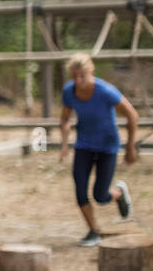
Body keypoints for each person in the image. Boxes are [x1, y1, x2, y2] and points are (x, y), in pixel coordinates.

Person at [59, 53, 138, 246]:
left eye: (82, 76)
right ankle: (93, 231)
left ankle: (118, 193)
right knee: (80, 190)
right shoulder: (69, 91)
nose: (78, 80)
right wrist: (64, 145)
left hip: (107, 146)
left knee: (100, 196)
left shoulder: (106, 91)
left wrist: (130, 147)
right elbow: (64, 119)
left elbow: (132, 115)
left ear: (91, 72)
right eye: (74, 76)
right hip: (84, 145)